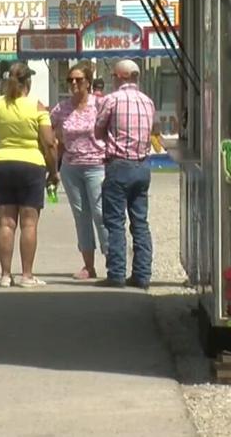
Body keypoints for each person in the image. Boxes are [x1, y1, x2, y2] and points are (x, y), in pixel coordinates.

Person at [0, 63, 59, 288]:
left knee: (6, 222)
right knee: (28, 224)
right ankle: (27, 275)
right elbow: (49, 142)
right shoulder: (37, 107)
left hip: (2, 161)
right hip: (31, 163)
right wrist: (53, 171)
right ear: (29, 82)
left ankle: (5, 275)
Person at [94, 59, 156, 290]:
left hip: (119, 165)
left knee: (115, 222)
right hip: (142, 166)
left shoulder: (112, 100)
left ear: (120, 76)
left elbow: (98, 130)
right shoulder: (148, 102)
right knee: (140, 222)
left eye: (113, 76)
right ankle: (142, 275)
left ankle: (117, 274)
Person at [50, 62, 108, 280]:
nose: (74, 83)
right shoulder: (62, 108)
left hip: (96, 165)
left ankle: (114, 261)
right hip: (71, 167)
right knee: (81, 216)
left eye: (79, 79)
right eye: (70, 80)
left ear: (88, 82)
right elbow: (46, 129)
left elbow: (112, 130)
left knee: (101, 213)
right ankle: (88, 265)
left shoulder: (100, 104)